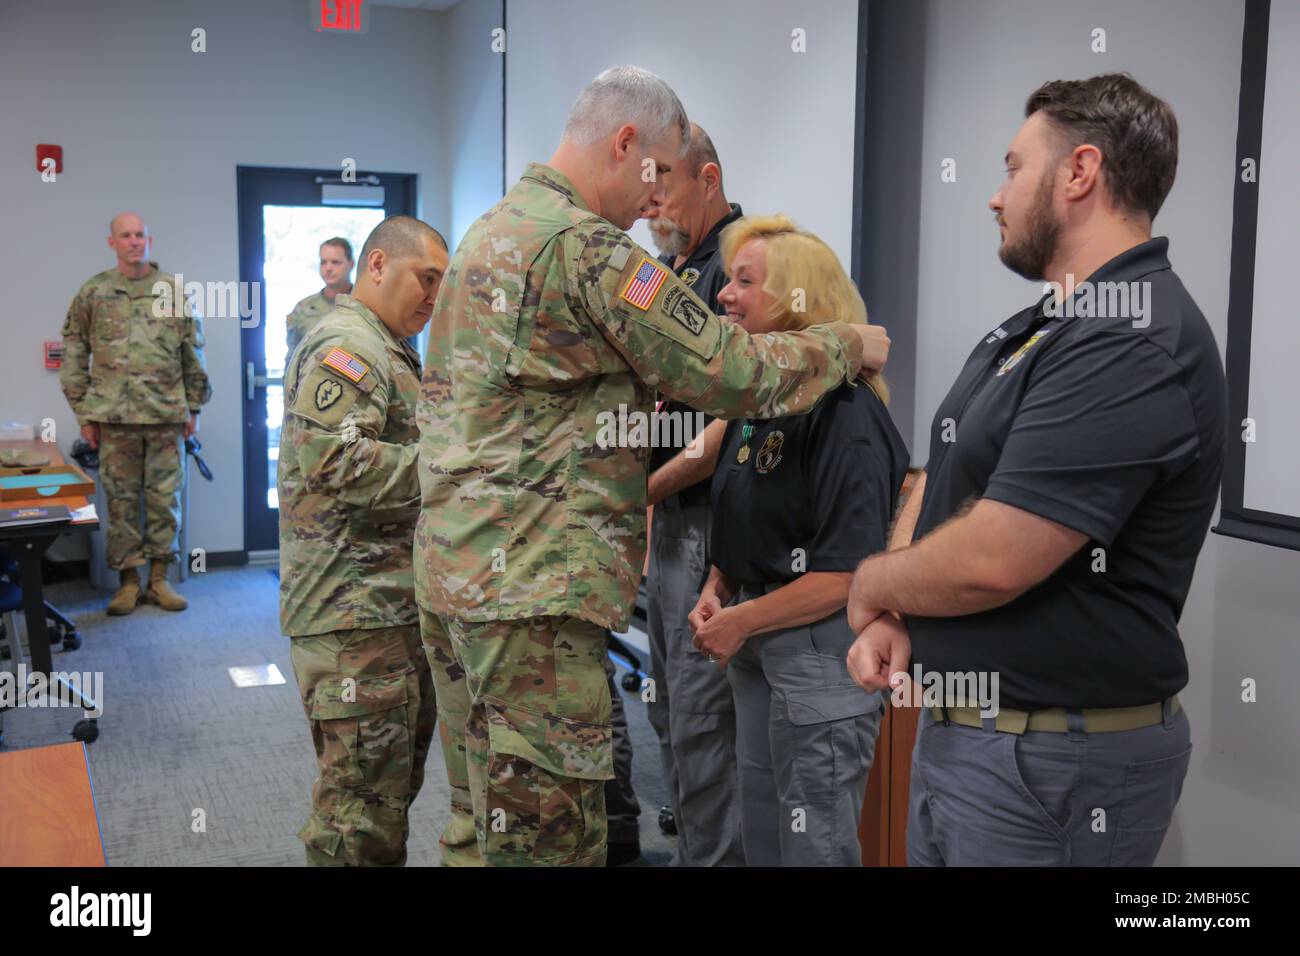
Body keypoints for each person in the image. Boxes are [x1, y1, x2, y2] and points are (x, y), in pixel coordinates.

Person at [415, 65, 890, 868]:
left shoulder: (490, 232)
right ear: (626, 143)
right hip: (533, 597)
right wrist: (848, 342)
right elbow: (732, 370)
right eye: (656, 173)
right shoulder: (592, 252)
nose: (654, 201)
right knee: (550, 842)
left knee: (489, 821)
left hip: (459, 581)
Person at [845, 74, 1226, 867]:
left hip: (1048, 762)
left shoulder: (1133, 336)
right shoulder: (1041, 327)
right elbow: (937, 473)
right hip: (975, 738)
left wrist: (871, 586)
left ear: (1079, 173)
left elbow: (995, 558)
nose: (995, 196)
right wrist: (897, 611)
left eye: (1014, 168)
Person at [674, 215, 908, 866]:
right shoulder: (762, 400)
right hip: (755, 641)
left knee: (813, 845)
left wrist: (741, 618)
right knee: (766, 831)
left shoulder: (846, 416)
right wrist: (717, 587)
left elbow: (846, 575)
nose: (724, 293)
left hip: (816, 652)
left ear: (802, 300)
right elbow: (744, 510)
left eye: (745, 282)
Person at [279, 216, 449, 866]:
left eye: (442, 284)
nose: (433, 298)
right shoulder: (348, 346)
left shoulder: (389, 344)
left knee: (383, 801)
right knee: (357, 822)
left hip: (386, 610)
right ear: (376, 266)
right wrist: (453, 466)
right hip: (354, 620)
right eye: (423, 279)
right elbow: (338, 462)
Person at [641, 121, 746, 865]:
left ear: (707, 178)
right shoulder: (676, 269)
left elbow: (729, 426)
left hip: (711, 524)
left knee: (703, 721)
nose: (651, 203)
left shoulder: (739, 268)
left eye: (666, 185)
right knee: (671, 710)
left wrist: (641, 487)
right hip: (669, 522)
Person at [60, 212, 211, 615]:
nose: (134, 242)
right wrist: (84, 414)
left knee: (165, 500)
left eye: (140, 235)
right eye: (125, 235)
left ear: (150, 240)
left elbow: (192, 351)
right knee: (122, 502)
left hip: (165, 416)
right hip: (114, 418)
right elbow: (74, 351)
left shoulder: (173, 292)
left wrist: (193, 406)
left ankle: (159, 581)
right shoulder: (94, 293)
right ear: (112, 242)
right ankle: (128, 582)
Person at [286, 238, 355, 359]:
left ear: (351, 264)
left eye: (335, 262)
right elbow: (293, 358)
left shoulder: (366, 304)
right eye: (323, 262)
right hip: (311, 376)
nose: (328, 268)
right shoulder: (303, 308)